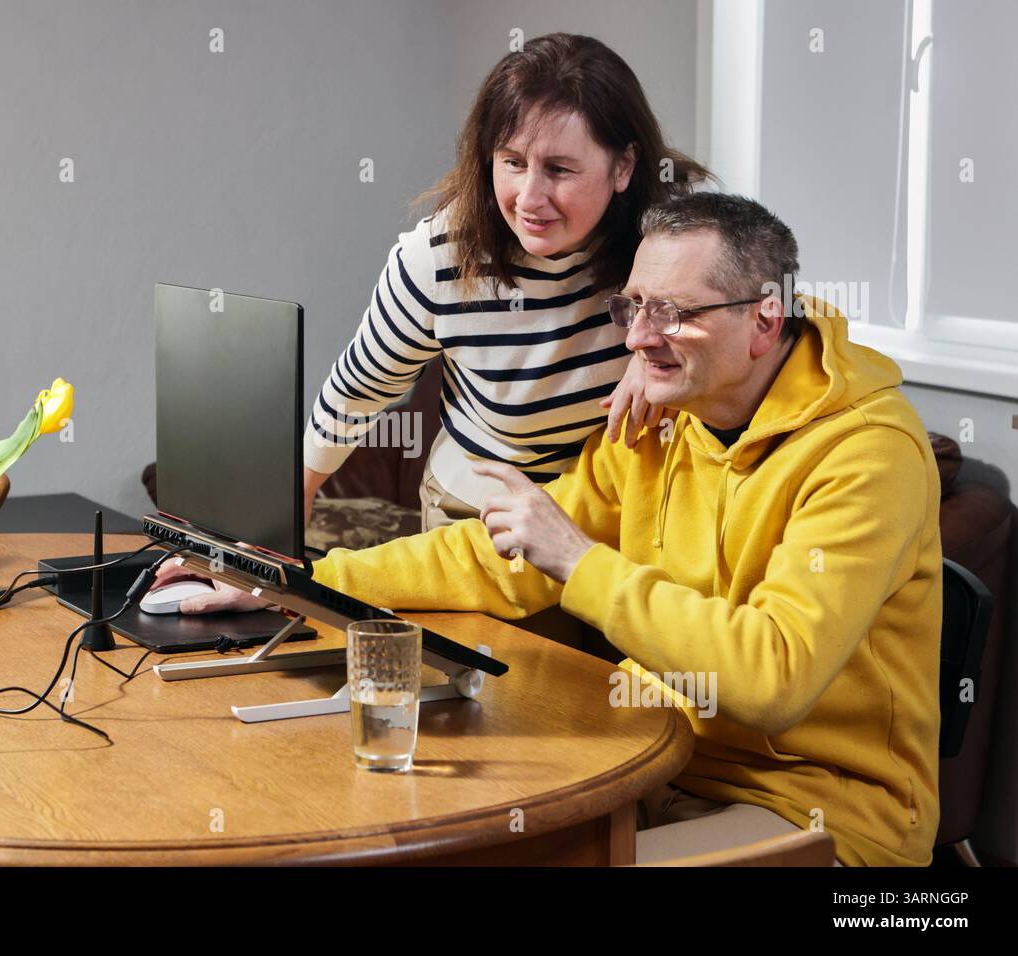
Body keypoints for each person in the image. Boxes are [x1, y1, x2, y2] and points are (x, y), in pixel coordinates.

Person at [157, 193, 943, 867]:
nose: (636, 339)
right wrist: (298, 583)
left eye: (672, 313)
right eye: (634, 307)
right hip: (653, 763)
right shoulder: (666, 420)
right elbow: (502, 557)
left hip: (817, 809)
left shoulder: (868, 453)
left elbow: (774, 679)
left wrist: (580, 559)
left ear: (764, 319)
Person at [301, 33, 709, 532]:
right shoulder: (437, 259)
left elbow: (756, 317)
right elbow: (357, 391)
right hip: (477, 510)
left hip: (621, 508)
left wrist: (658, 357)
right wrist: (293, 508)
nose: (529, 199)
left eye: (559, 169)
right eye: (513, 162)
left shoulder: (676, 235)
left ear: (623, 166)